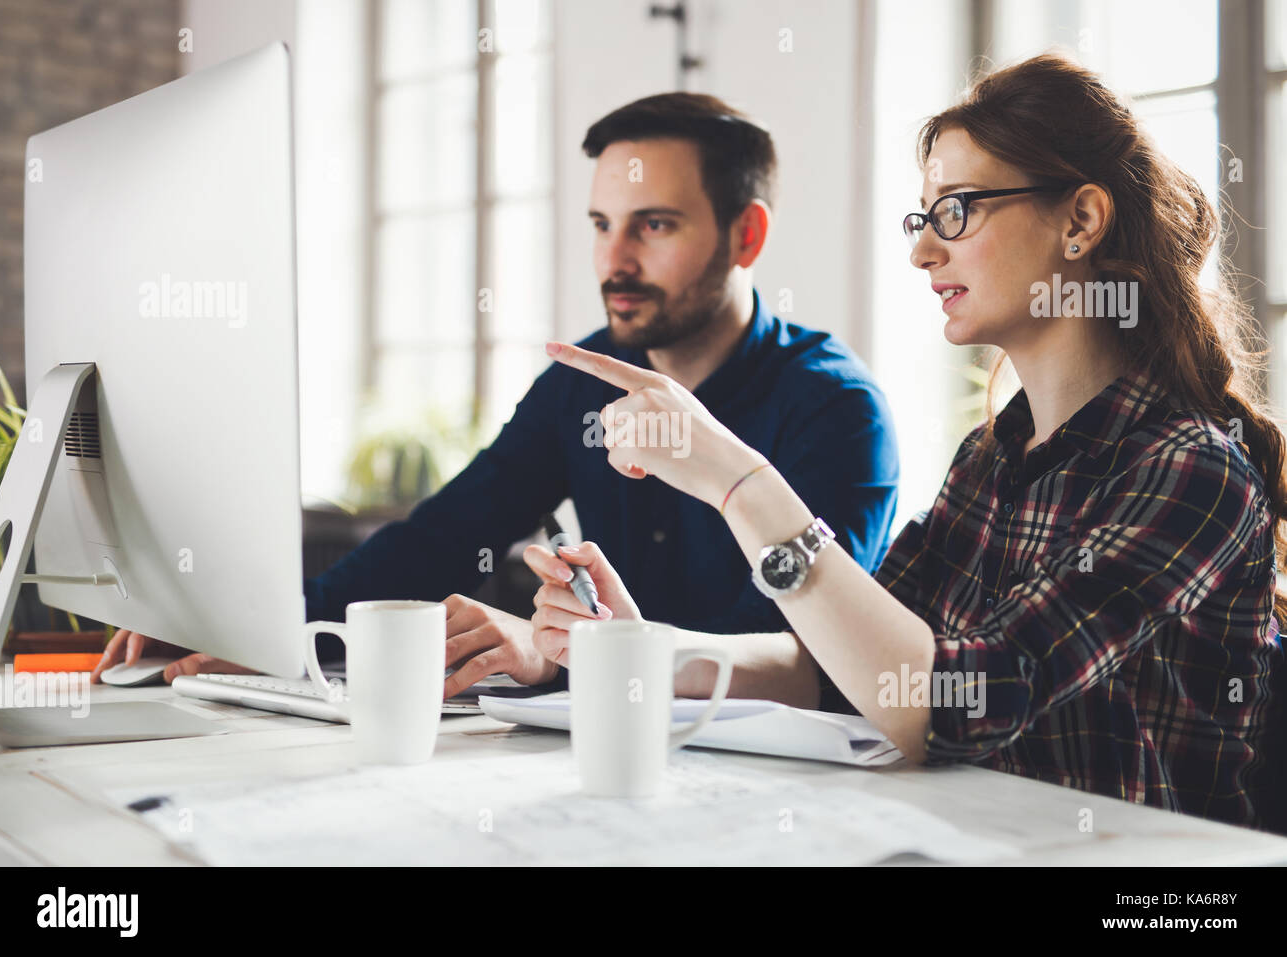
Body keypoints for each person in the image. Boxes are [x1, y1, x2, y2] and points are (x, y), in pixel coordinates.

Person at [522, 54, 1285, 832]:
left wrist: (737, 479)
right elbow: (843, 670)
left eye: (957, 211)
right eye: (922, 219)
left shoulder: (1192, 471)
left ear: (1080, 221)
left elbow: (957, 703)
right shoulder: (990, 461)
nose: (924, 251)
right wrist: (640, 650)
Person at [93, 93, 899, 711]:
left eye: (652, 225)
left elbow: (806, 659)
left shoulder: (836, 410)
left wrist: (566, 651)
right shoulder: (583, 380)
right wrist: (269, 637)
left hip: (783, 789)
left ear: (746, 236)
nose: (613, 260)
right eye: (600, 224)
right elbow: (445, 532)